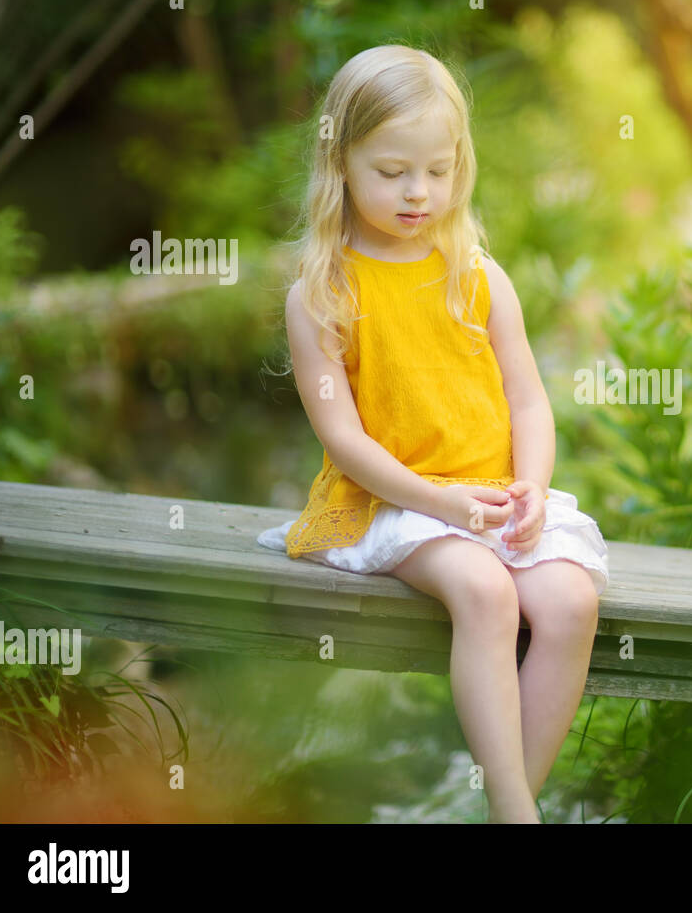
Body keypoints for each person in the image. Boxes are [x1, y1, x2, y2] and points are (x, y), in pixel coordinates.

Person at [256, 44, 609, 824]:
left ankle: (506, 805)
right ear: (339, 161)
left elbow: (529, 402)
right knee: (484, 592)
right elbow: (346, 442)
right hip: (393, 501)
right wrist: (442, 504)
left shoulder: (476, 273)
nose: (419, 192)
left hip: (491, 496)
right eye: (392, 172)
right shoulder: (323, 293)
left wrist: (536, 489)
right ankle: (520, 816)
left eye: (439, 170)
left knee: (571, 600)